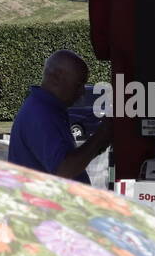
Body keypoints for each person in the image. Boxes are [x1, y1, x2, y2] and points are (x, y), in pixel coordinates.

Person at [8, 50, 112, 183]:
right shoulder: (41, 113)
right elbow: (63, 170)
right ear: (56, 77)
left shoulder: (47, 109)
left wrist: (100, 143)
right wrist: (102, 134)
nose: (82, 92)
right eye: (79, 84)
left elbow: (68, 161)